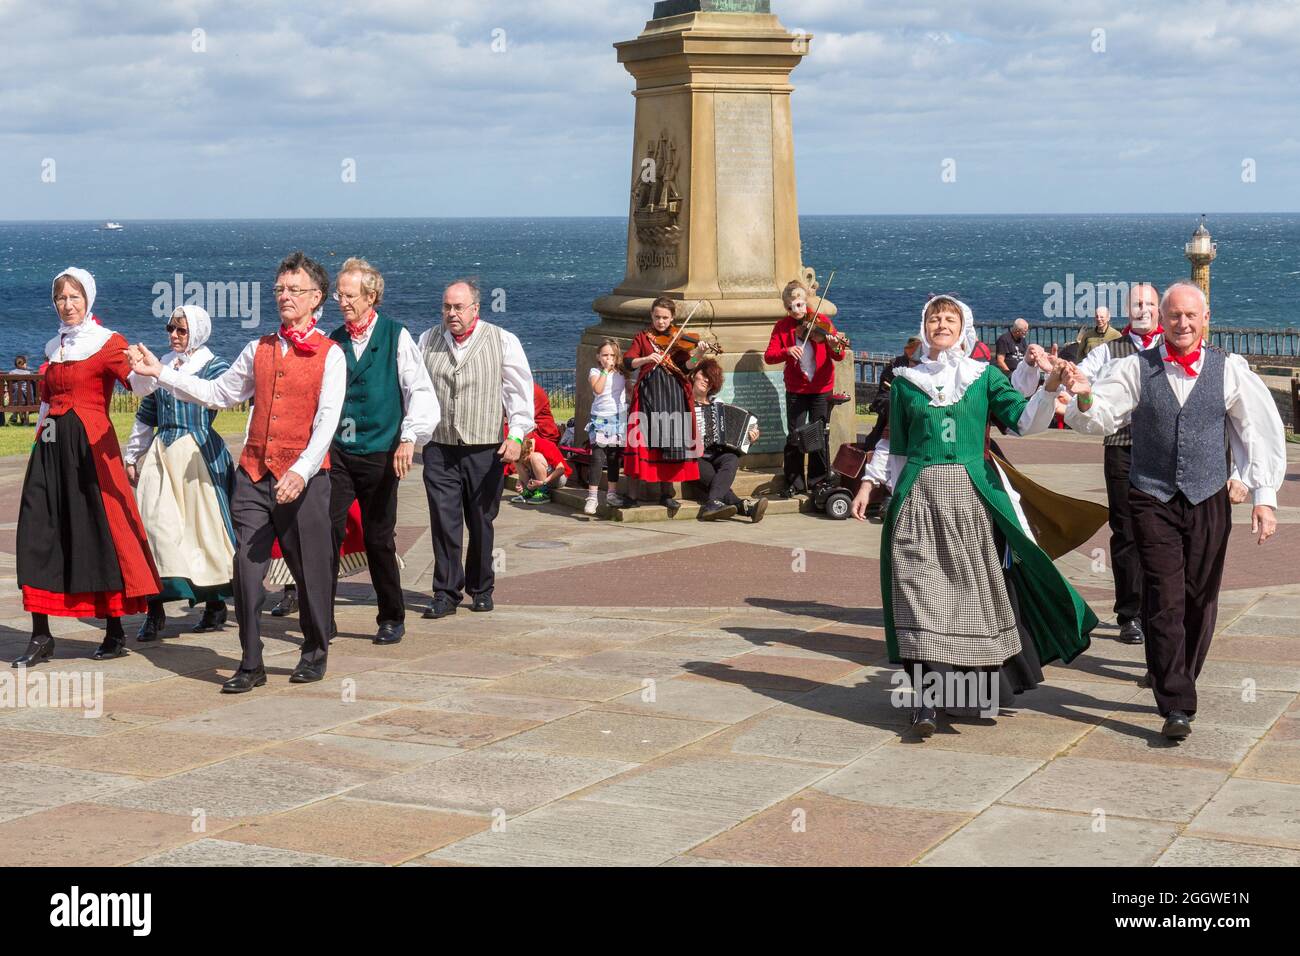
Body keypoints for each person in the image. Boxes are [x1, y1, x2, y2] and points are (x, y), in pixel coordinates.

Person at [850, 294, 1094, 737]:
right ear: (924, 327)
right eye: (934, 318)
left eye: (950, 318)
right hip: (917, 500)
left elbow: (1022, 420)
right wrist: (869, 484)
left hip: (970, 501)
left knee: (966, 600)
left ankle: (964, 695)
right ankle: (922, 704)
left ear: (964, 328)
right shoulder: (905, 382)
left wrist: (1052, 385)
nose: (941, 323)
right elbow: (894, 445)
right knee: (917, 597)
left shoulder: (983, 378)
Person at [1062, 281, 1285, 740]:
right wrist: (1084, 394)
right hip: (1151, 495)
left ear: (1206, 319)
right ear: (1161, 320)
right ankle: (1176, 701)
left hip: (1209, 497)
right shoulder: (1134, 367)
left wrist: (1262, 494)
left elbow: (1257, 430)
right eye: (1173, 316)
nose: (1182, 323)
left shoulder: (1230, 369)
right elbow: (1098, 414)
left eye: (1190, 316)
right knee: (1164, 596)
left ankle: (1180, 671)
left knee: (1200, 597)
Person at [127, 251, 344, 693]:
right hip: (253, 475)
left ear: (316, 297)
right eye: (280, 289)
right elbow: (217, 393)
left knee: (310, 571)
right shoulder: (257, 348)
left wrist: (300, 472)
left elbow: (326, 422)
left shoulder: (331, 355)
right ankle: (251, 661)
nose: (284, 296)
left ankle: (315, 649)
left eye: (294, 290)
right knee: (246, 569)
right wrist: (160, 373)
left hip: (305, 480)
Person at [13, 268, 161, 667]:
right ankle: (40, 634)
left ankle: (114, 629)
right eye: (61, 297)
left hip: (91, 452)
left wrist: (148, 369)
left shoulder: (108, 342)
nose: (68, 304)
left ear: (88, 300)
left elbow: (139, 385)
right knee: (37, 531)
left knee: (96, 530)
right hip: (49, 449)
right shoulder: (52, 347)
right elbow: (46, 402)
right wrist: (37, 442)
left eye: (75, 297)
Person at [1014, 282, 1164, 645]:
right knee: (1126, 530)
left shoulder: (1171, 348)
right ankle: (1130, 615)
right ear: (1126, 310)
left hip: (1163, 452)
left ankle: (1158, 610)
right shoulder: (1110, 350)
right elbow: (1079, 377)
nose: (1143, 310)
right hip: (1122, 449)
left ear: (1159, 309)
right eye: (1136, 304)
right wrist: (1054, 366)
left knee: (1161, 533)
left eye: (1149, 304)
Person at [327, 258, 439, 646]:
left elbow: (419, 391)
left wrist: (409, 437)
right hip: (339, 452)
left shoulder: (396, 336)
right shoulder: (333, 341)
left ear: (371, 296)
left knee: (378, 538)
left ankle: (391, 616)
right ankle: (322, 617)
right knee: (326, 533)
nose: (341, 302)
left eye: (349, 295)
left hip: (380, 451)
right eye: (338, 295)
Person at [417, 278, 534, 618]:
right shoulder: (426, 339)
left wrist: (516, 435)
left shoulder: (503, 341)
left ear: (475, 309)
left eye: (458, 307)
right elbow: (416, 390)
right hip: (440, 446)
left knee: (481, 520)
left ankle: (481, 587)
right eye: (446, 307)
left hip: (485, 447)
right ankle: (445, 592)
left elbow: (518, 392)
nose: (451, 313)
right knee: (443, 520)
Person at [124, 306, 234, 641]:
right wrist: (133, 455)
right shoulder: (160, 364)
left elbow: (222, 397)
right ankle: (155, 610)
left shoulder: (215, 366)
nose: (173, 335)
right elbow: (147, 413)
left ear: (198, 332)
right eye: (170, 328)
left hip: (197, 453)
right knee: (154, 526)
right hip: (163, 452)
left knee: (203, 532)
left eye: (181, 330)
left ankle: (214, 603)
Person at [764, 280, 847, 497]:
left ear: (805, 302)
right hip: (796, 390)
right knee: (795, 437)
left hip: (821, 389)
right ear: (786, 307)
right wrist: (787, 350)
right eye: (790, 307)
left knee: (819, 436)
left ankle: (819, 481)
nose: (796, 311)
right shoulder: (782, 327)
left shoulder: (821, 321)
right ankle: (794, 482)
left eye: (800, 305)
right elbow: (769, 356)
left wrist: (832, 344)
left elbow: (839, 355)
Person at [622, 297, 703, 509]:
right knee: (640, 443)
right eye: (657, 317)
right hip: (648, 393)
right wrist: (647, 359)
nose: (661, 322)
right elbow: (628, 361)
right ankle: (632, 496)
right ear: (651, 316)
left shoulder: (678, 338)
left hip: (672, 396)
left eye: (665, 318)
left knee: (670, 442)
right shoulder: (642, 338)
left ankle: (667, 494)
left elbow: (687, 367)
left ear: (672, 318)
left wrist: (699, 353)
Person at [689, 358, 766, 522]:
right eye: (703, 375)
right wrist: (697, 355)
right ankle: (744, 507)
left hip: (715, 454)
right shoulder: (683, 402)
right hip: (693, 456)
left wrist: (749, 438)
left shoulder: (718, 403)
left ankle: (713, 504)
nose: (706, 380)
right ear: (694, 375)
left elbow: (733, 436)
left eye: (710, 380)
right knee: (715, 482)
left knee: (731, 458)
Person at [584, 338, 628, 515]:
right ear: (598, 357)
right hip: (601, 418)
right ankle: (592, 497)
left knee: (614, 457)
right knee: (597, 456)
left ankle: (611, 493)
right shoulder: (595, 371)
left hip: (619, 417)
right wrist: (605, 370)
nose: (609, 358)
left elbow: (628, 391)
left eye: (612, 355)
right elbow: (598, 389)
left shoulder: (622, 373)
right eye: (605, 355)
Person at [8, 355, 36, 426]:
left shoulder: (11, 373)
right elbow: (34, 385)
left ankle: (20, 418)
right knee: (27, 395)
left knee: (19, 396)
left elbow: (9, 387)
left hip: (14, 400)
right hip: (28, 400)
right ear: (23, 364)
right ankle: (26, 421)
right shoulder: (29, 373)